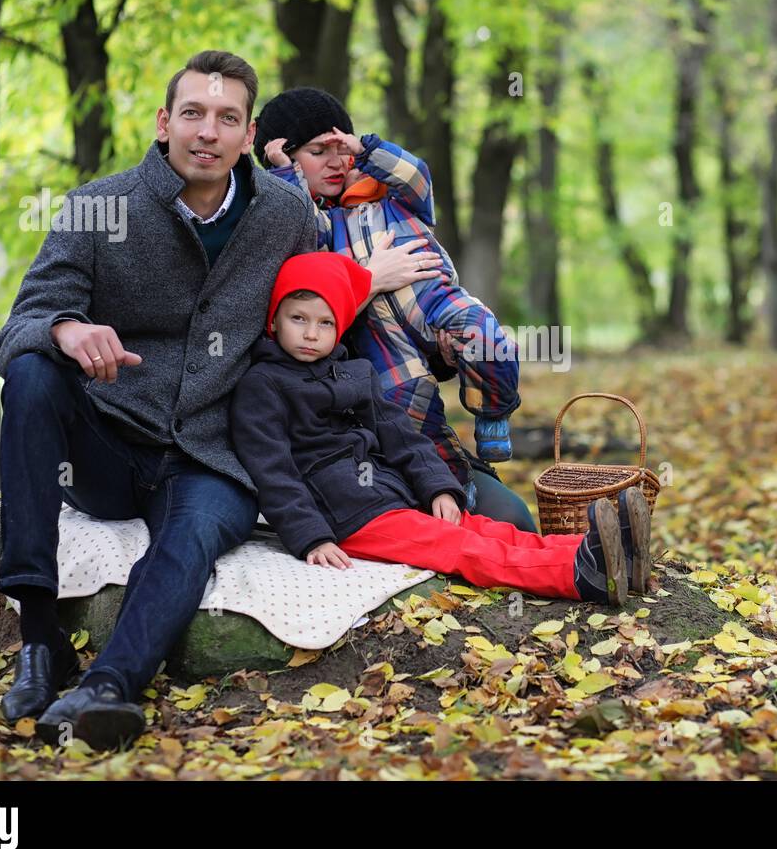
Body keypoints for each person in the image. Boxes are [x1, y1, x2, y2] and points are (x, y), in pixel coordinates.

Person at [0, 51, 445, 752]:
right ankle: (40, 640)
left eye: (226, 118)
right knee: (30, 372)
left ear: (248, 132)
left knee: (191, 539)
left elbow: (317, 319)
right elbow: (19, 325)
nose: (208, 131)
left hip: (214, 454)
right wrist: (68, 328)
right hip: (108, 440)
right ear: (166, 122)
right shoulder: (96, 205)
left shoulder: (288, 214)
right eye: (193, 114)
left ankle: (109, 686)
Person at [229, 252, 654, 607]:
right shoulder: (261, 386)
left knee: (487, 530)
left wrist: (438, 489)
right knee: (463, 549)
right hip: (347, 515)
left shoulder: (355, 372)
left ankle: (610, 551)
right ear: (274, 321)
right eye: (298, 318)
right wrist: (311, 538)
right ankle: (579, 575)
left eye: (324, 323)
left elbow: (402, 435)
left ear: (340, 326)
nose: (310, 333)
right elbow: (274, 473)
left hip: (395, 495)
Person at [252, 88, 537, 533]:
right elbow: (305, 254)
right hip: (346, 425)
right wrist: (370, 278)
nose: (334, 162)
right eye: (315, 151)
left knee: (486, 339)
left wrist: (366, 148)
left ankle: (489, 421)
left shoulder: (388, 198)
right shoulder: (303, 230)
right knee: (408, 408)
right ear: (281, 159)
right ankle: (447, 490)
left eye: (339, 148)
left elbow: (415, 176)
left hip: (428, 309)